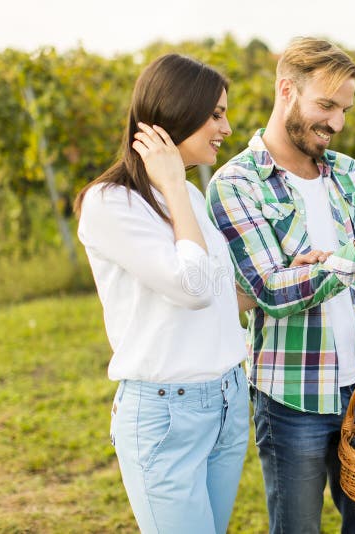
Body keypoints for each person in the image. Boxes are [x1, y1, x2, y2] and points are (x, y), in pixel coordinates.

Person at [206, 37, 355, 533]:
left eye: (344, 108)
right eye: (326, 105)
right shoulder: (237, 184)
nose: (337, 122)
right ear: (287, 91)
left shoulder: (349, 173)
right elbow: (272, 292)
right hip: (291, 400)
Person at [73, 54, 251, 534]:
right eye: (215, 114)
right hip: (166, 415)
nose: (227, 128)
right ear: (175, 114)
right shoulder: (110, 203)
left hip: (228, 402)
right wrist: (172, 183)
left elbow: (215, 297)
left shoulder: (190, 198)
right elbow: (190, 290)